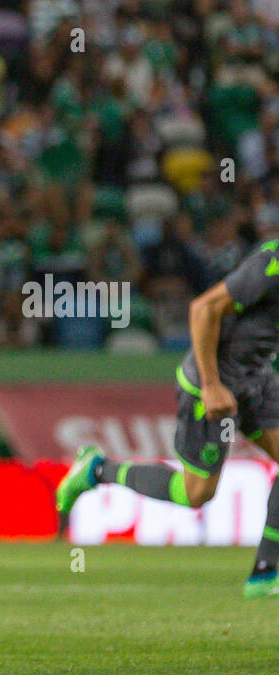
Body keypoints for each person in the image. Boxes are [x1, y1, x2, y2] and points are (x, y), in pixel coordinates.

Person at [57, 238, 279, 598]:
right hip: (215, 379)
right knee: (196, 493)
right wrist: (211, 386)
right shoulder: (273, 265)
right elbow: (203, 309)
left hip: (257, 377)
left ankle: (264, 574)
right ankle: (97, 468)